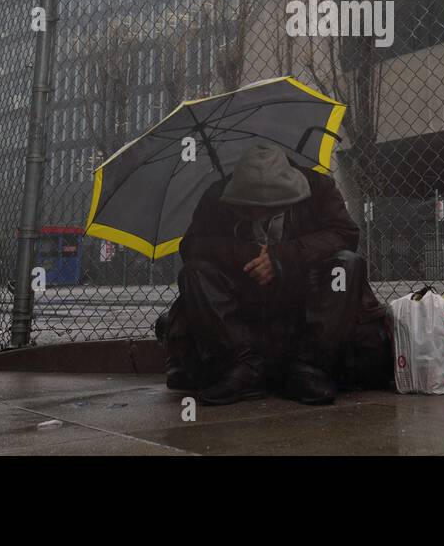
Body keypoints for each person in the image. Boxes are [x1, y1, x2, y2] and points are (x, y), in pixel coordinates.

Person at [155, 144, 391, 406]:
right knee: (194, 272)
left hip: (304, 298)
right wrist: (246, 253)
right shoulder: (217, 195)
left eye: (268, 206)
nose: (258, 213)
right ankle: (244, 367)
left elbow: (345, 235)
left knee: (347, 264)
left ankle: (309, 368)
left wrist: (281, 258)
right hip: (246, 301)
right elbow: (192, 246)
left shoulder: (319, 188)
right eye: (250, 207)